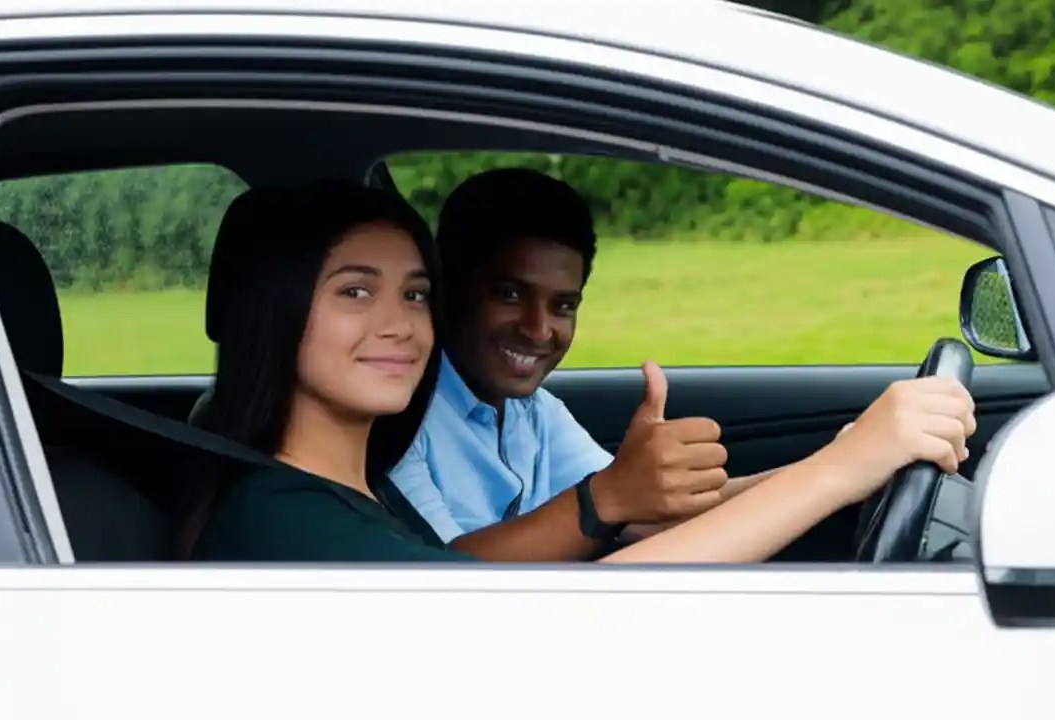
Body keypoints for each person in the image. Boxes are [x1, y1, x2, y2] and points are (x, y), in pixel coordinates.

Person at [173, 177, 976, 564]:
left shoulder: (359, 492)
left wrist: (841, 466)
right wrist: (837, 471)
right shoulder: (283, 522)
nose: (401, 324)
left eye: (414, 294)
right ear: (271, 310)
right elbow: (547, 615)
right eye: (356, 291)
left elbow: (630, 526)